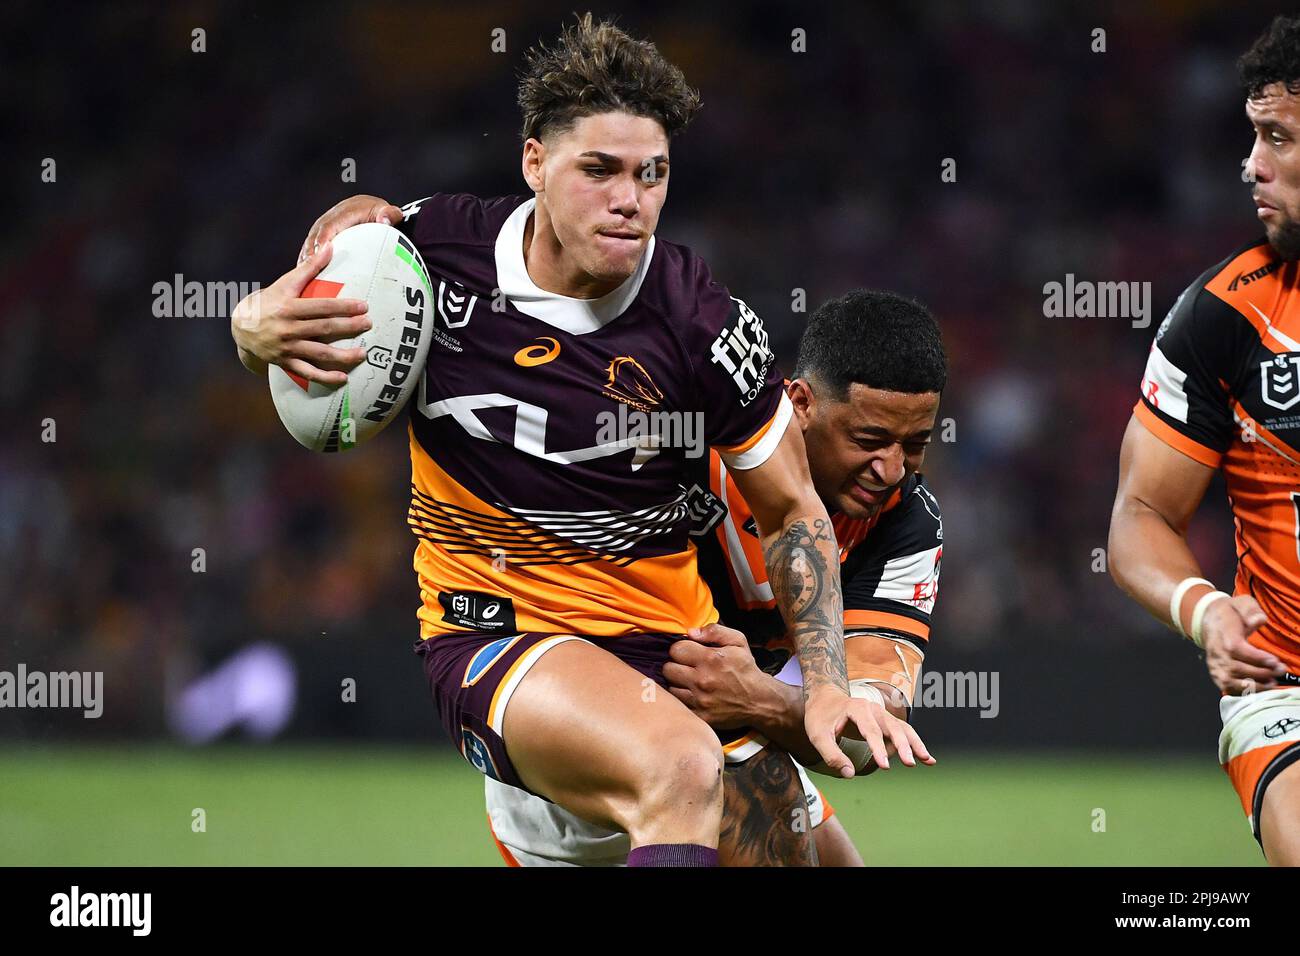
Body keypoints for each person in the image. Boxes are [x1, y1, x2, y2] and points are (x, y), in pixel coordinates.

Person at [231, 14, 902, 866]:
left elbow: (795, 511)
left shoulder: (704, 324)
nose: (631, 200)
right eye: (601, 170)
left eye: (652, 174)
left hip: (674, 662)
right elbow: (302, 347)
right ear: (534, 163)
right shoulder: (428, 259)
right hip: (497, 639)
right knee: (681, 769)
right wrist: (250, 331)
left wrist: (829, 684)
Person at [485, 290, 945, 866]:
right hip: (598, 742)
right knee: (757, 806)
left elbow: (864, 736)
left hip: (734, 740)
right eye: (869, 441)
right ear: (799, 403)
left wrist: (759, 697)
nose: (891, 469)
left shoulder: (906, 525)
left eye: (916, 445)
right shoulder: (688, 445)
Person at [1108, 15, 1300, 866]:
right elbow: (1140, 513)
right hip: (1285, 686)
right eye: (1254, 136)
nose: (1252, 164)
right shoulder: (1223, 316)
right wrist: (1209, 610)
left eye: (1279, 138)